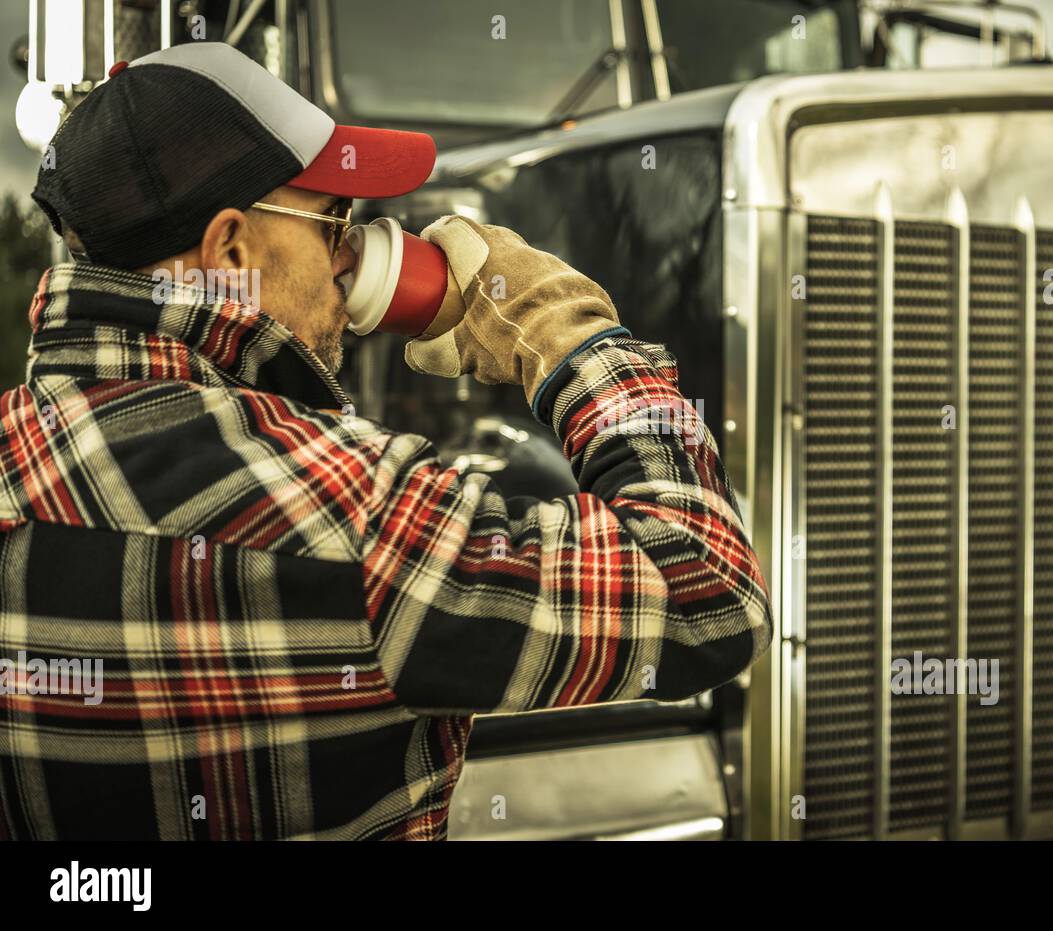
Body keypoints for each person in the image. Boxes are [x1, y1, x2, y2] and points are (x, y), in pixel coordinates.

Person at [0, 42, 772, 840]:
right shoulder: (351, 514)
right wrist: (573, 342)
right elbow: (709, 591)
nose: (350, 254)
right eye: (333, 221)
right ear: (231, 250)